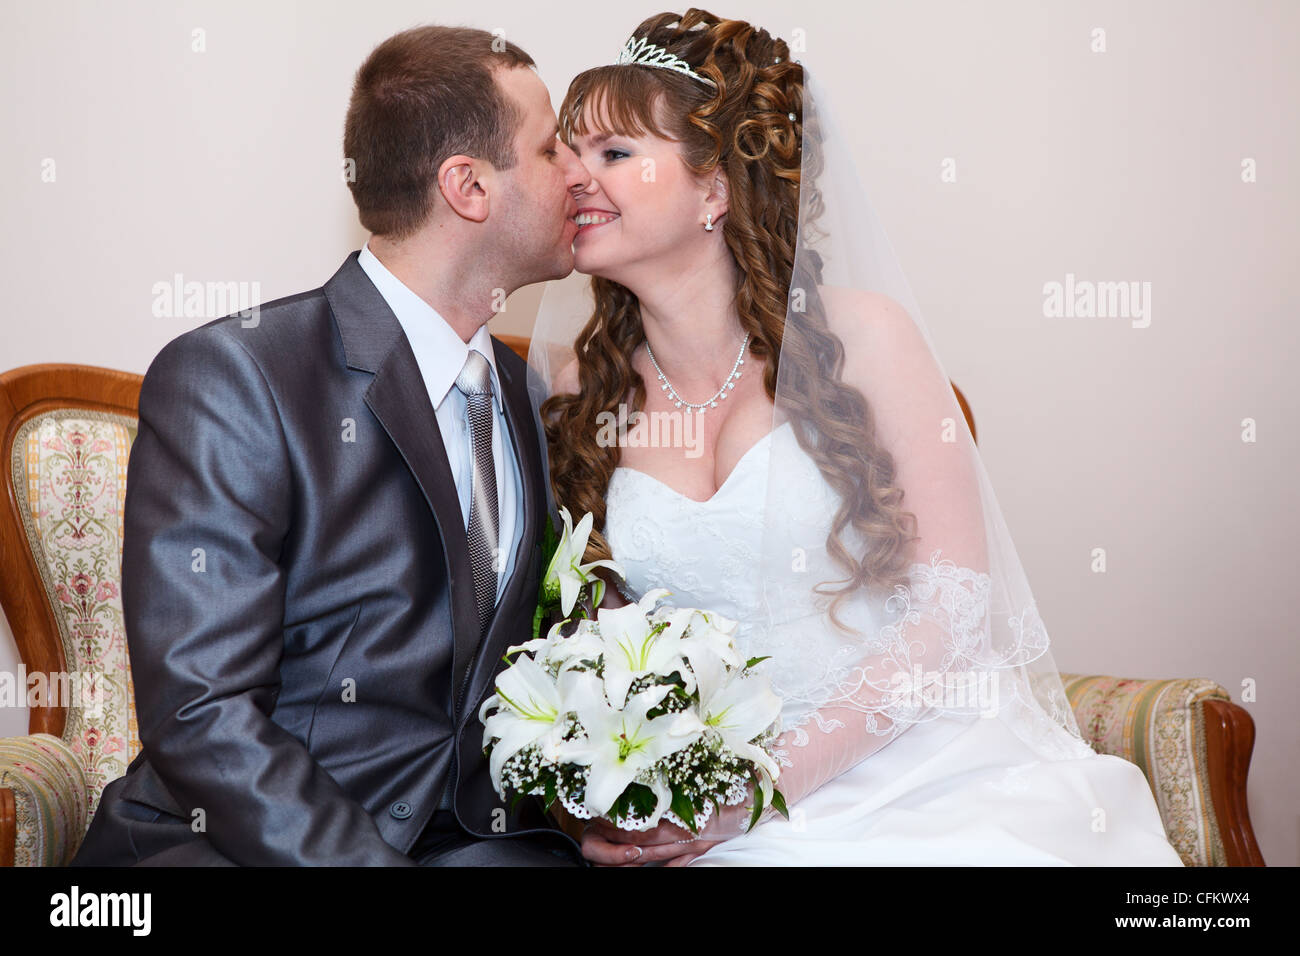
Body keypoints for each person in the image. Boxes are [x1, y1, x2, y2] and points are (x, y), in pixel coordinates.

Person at [529, 9, 1186, 867]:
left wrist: (756, 789)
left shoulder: (867, 341)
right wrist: (615, 796)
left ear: (716, 188)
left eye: (614, 153)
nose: (574, 177)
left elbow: (951, 606)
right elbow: (593, 635)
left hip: (917, 766)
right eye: (569, 153)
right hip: (706, 807)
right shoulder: (576, 390)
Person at [71, 24, 593, 866]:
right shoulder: (237, 376)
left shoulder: (524, 390)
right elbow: (201, 716)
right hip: (235, 846)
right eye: (550, 148)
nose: (578, 172)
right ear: (468, 186)